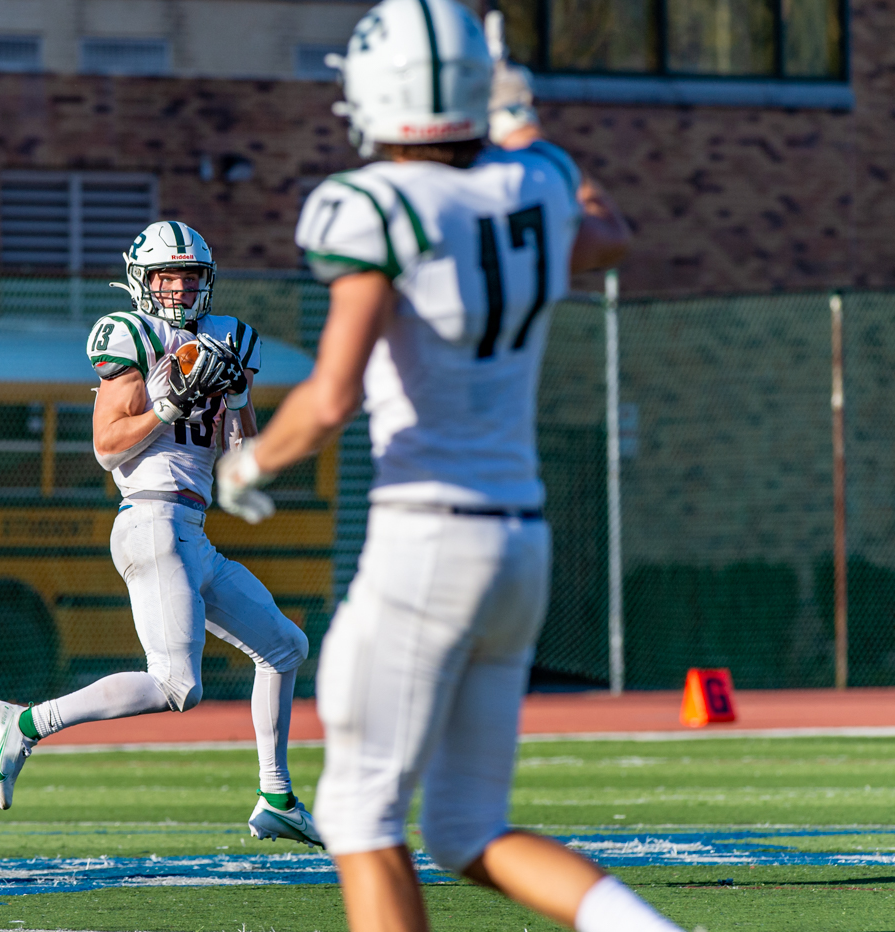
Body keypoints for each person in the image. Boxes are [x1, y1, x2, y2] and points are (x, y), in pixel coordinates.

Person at [215, 0, 685, 929]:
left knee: (357, 810)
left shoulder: (375, 203)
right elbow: (611, 230)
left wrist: (249, 464)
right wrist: (525, 123)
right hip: (520, 541)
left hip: (426, 537)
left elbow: (332, 395)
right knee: (468, 829)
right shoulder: (533, 186)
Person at [0, 220, 321, 848]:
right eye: (168, 276)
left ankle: (275, 796)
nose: (179, 289)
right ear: (142, 280)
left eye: (190, 277)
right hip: (149, 517)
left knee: (285, 647)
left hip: (192, 529)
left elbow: (240, 445)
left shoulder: (227, 339)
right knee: (178, 685)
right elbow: (107, 447)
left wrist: (236, 391)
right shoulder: (132, 336)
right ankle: (25, 722)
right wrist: (167, 406)